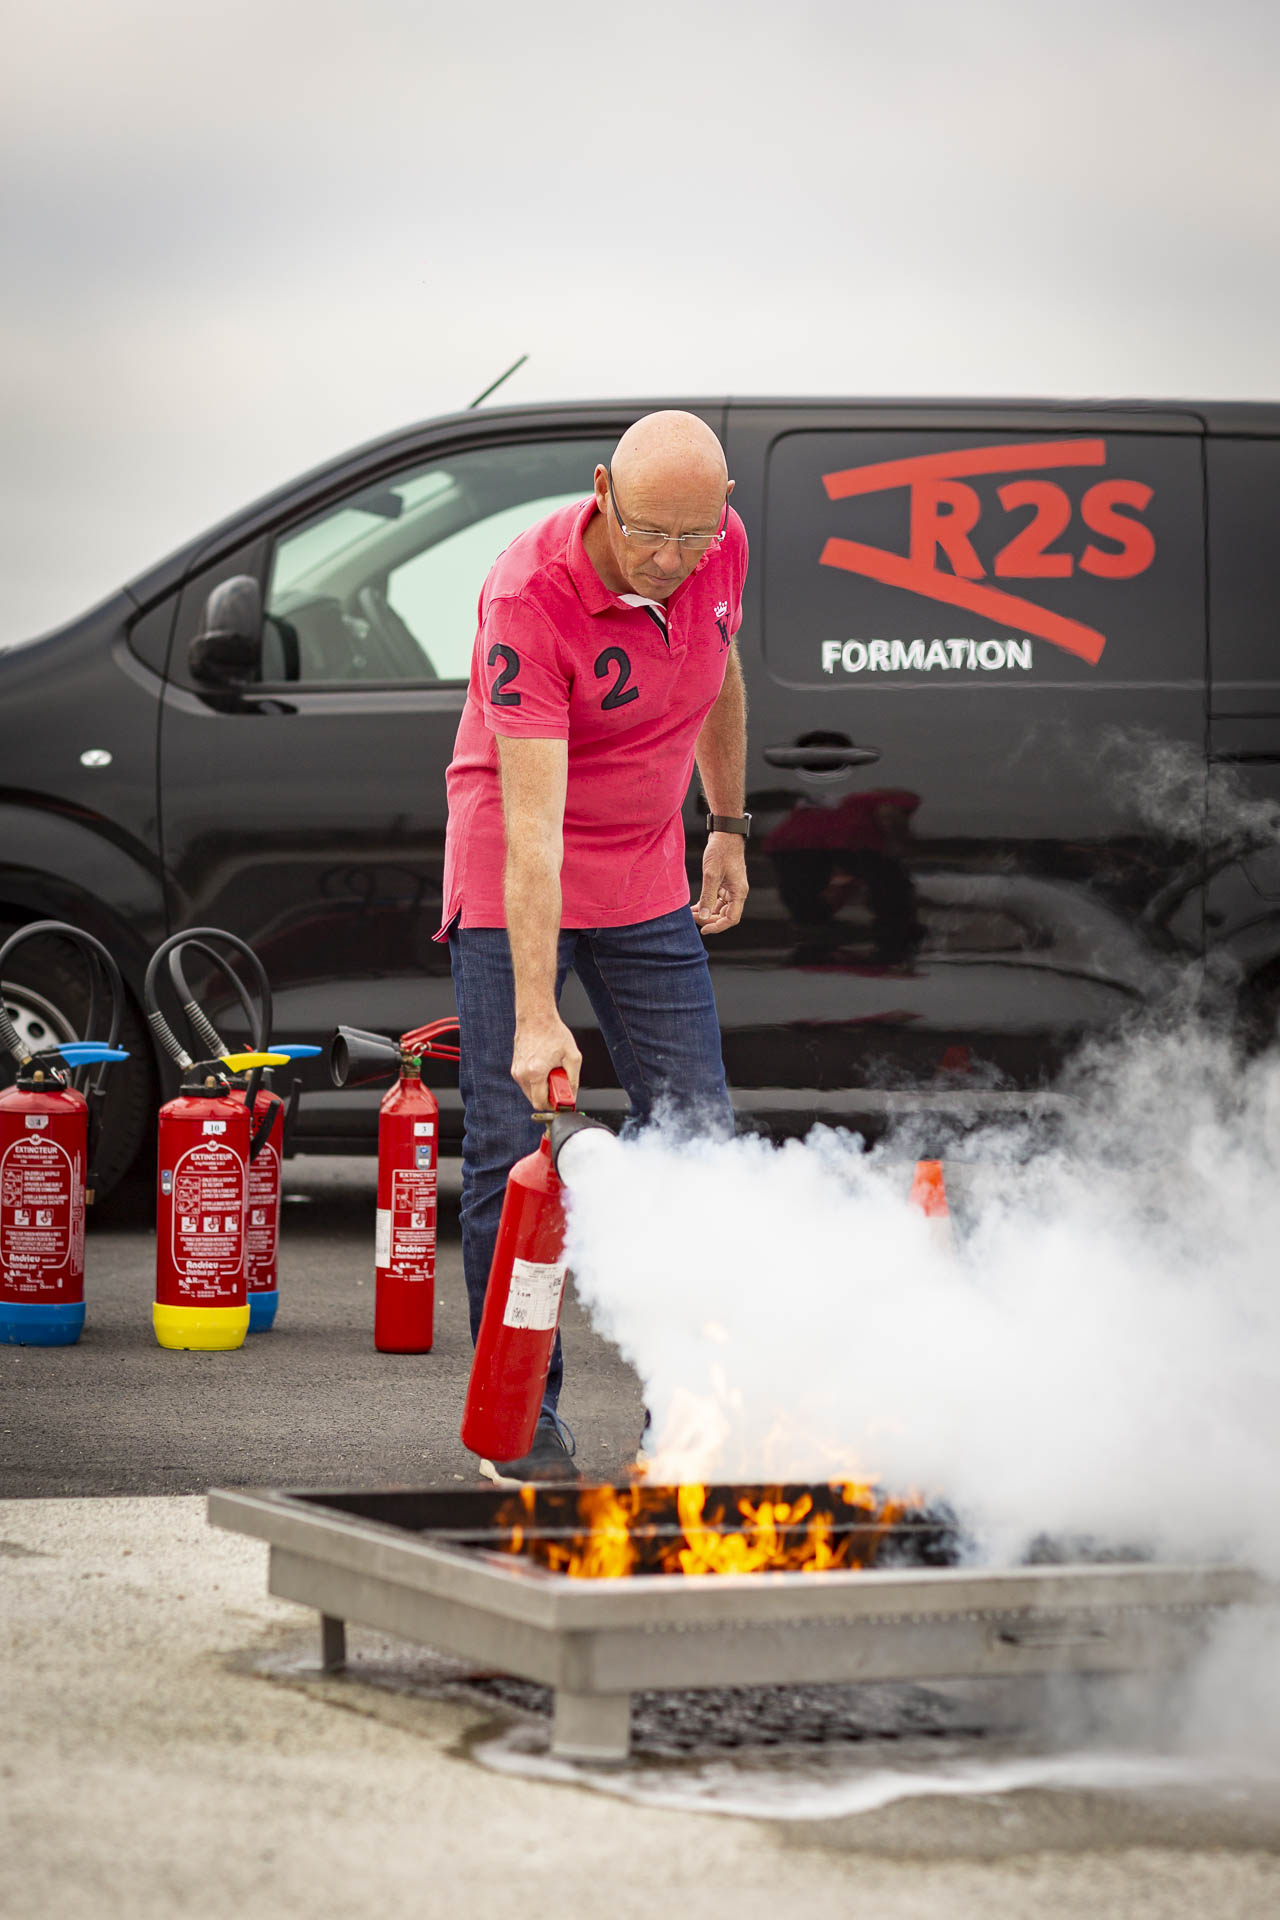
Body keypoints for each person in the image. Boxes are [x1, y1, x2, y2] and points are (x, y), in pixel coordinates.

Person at [435, 410, 750, 1482]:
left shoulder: (716, 552)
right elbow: (532, 833)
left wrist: (727, 824)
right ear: (602, 490)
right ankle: (523, 1416)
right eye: (651, 535)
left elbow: (717, 666)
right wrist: (535, 1014)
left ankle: (691, 1412)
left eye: (692, 541)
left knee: (699, 1132)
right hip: (517, 861)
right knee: (505, 1146)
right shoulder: (528, 595)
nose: (670, 564)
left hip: (646, 863)